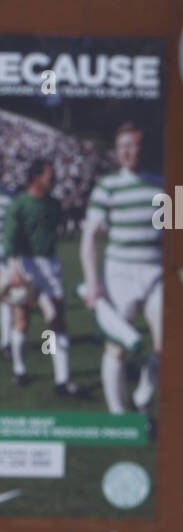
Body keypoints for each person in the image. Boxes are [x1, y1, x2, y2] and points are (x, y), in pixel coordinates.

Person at [79, 122, 164, 417]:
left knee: (165, 346)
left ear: (143, 148)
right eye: (122, 147)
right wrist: (92, 283)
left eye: (134, 145)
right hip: (119, 273)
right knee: (116, 347)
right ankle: (117, 414)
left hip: (155, 272)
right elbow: (90, 237)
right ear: (117, 152)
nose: (128, 152)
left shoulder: (160, 185)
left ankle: (142, 397)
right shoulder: (107, 186)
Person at [2, 159, 78, 394]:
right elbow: (10, 240)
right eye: (49, 176)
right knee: (23, 320)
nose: (53, 180)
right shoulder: (19, 205)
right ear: (36, 178)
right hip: (25, 266)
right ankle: (20, 370)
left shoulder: (55, 205)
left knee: (56, 321)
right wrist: (16, 270)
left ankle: (61, 380)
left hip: (50, 267)